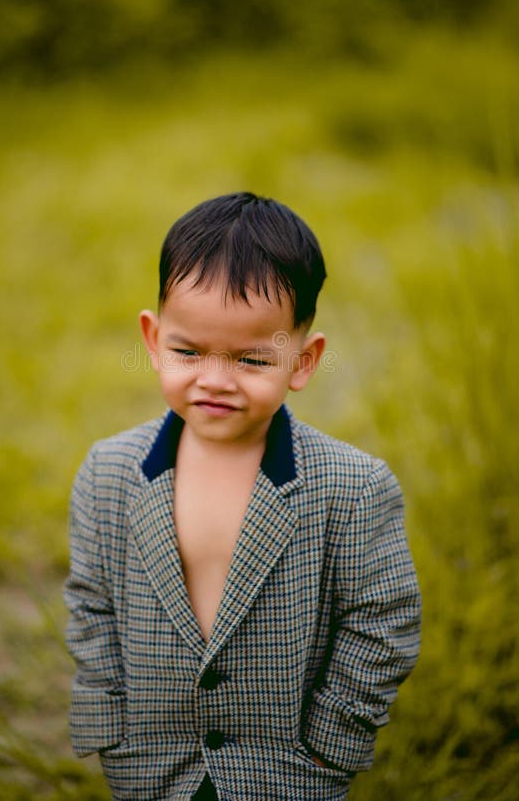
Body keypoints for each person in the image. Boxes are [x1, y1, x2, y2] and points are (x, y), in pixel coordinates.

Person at [64, 192, 421, 800]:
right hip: (152, 767)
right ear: (153, 338)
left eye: (252, 359)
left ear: (302, 362)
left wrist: (332, 740)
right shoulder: (109, 471)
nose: (215, 380)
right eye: (187, 352)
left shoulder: (353, 486)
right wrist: (111, 731)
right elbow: (91, 604)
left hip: (285, 770)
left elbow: (384, 619)